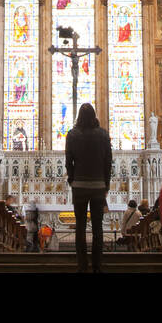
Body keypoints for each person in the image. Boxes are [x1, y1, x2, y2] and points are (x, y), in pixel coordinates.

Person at [65, 102, 113, 272]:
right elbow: (108, 162)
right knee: (98, 228)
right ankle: (97, 266)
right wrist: (106, 184)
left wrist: (72, 180)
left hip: (79, 186)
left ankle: (82, 266)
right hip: (98, 186)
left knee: (80, 227)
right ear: (94, 116)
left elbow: (68, 161)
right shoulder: (103, 135)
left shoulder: (72, 135)